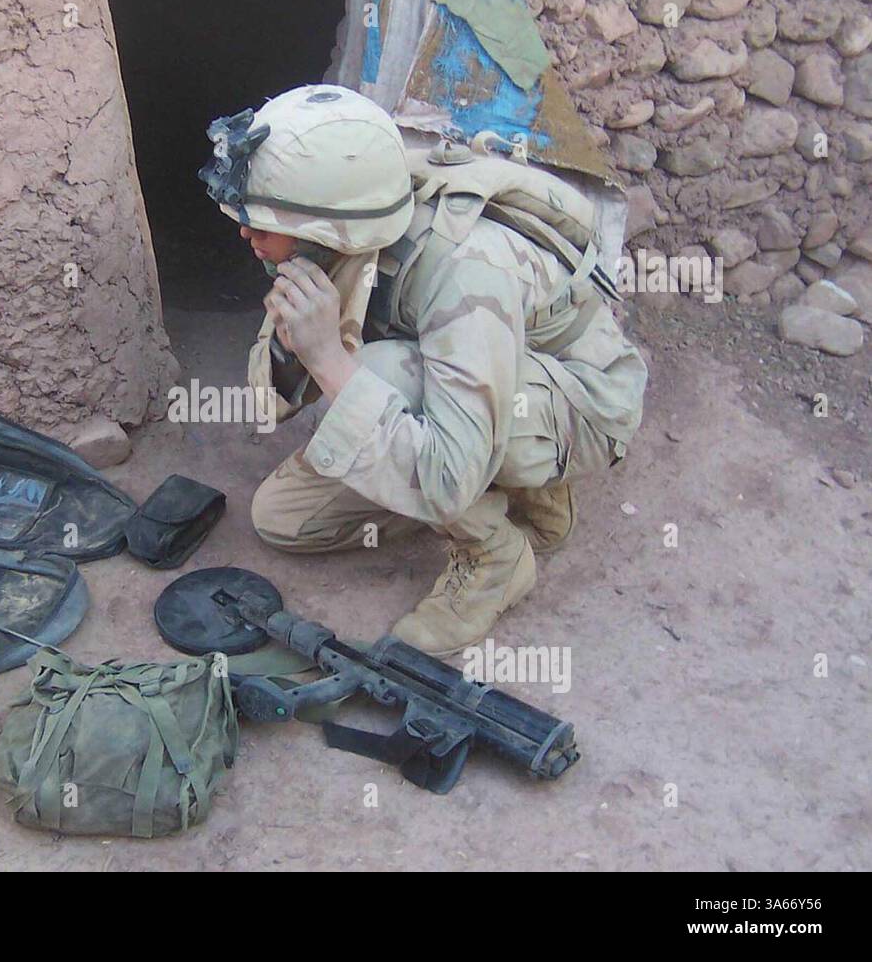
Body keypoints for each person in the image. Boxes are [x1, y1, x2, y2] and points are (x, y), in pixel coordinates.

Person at [198, 84, 647, 656]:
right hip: (485, 373)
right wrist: (301, 346)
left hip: (581, 402)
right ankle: (522, 488)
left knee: (380, 374)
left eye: (261, 222)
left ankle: (496, 557)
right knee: (285, 520)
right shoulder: (348, 218)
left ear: (324, 225)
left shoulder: (465, 269)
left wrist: (331, 360)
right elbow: (272, 397)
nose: (246, 234)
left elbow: (447, 476)